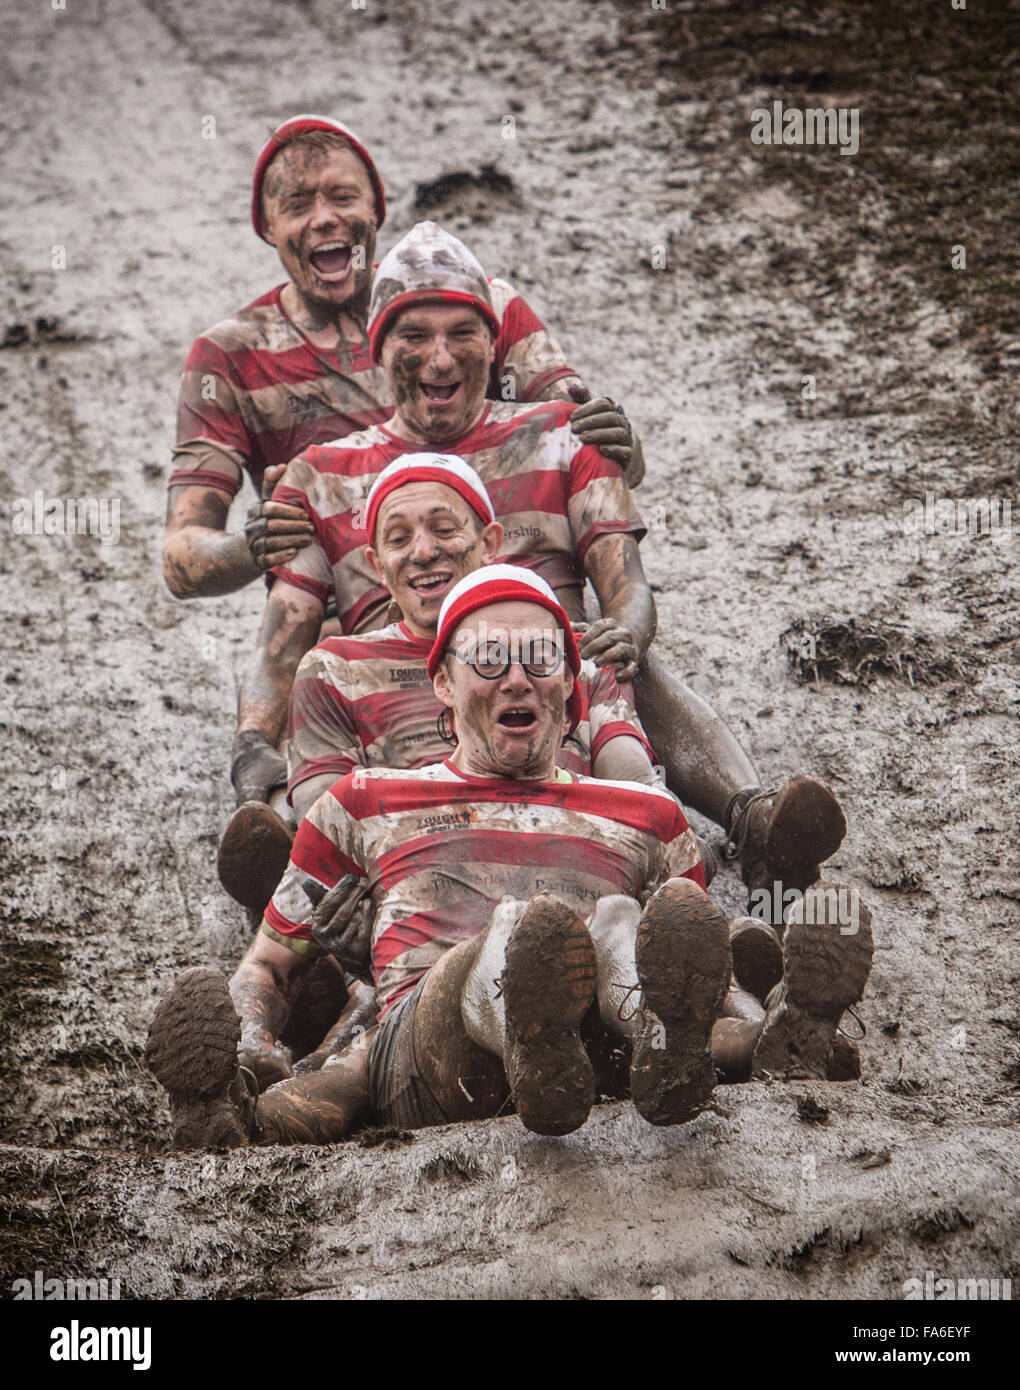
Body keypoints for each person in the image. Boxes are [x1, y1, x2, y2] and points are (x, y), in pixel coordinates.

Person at [228, 220, 847, 932]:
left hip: (558, 688)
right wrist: (252, 754)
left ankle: (751, 828)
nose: (439, 356)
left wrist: (625, 635)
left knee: (615, 654)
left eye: (463, 332)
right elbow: (282, 644)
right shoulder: (320, 474)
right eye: (413, 337)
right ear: (378, 351)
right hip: (402, 706)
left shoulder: (561, 434)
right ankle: (300, 910)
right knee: (330, 721)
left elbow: (626, 582)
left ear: (494, 346)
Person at [146, 568, 874, 1148]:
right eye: (489, 658)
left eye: (540, 658)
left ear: (571, 686)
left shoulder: (652, 818)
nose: (517, 677)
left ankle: (767, 1037)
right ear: (444, 682)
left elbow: (697, 982)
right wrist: (249, 1047)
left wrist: (760, 1021)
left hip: (606, 1055)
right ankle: (527, 1034)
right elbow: (268, 966)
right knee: (518, 932)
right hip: (427, 1049)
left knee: (629, 919)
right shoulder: (360, 804)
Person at [162, 114, 641, 606]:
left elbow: (591, 449)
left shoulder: (483, 306)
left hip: (517, 604)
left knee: (627, 652)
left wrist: (623, 442)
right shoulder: (230, 357)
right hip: (349, 627)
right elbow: (181, 557)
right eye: (297, 204)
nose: (324, 218)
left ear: (377, 209)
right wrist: (255, 545)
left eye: (343, 197)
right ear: (267, 226)